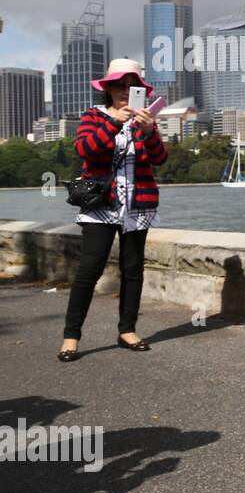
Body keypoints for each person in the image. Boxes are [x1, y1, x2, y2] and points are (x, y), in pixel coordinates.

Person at [59, 59, 167, 362]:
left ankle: (127, 329)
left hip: (138, 205)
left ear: (140, 92)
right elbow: (84, 149)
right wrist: (114, 122)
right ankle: (71, 336)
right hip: (101, 206)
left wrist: (149, 132)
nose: (125, 91)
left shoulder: (146, 121)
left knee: (133, 270)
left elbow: (160, 158)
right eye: (119, 85)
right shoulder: (94, 117)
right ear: (108, 89)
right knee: (88, 271)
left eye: (131, 86)